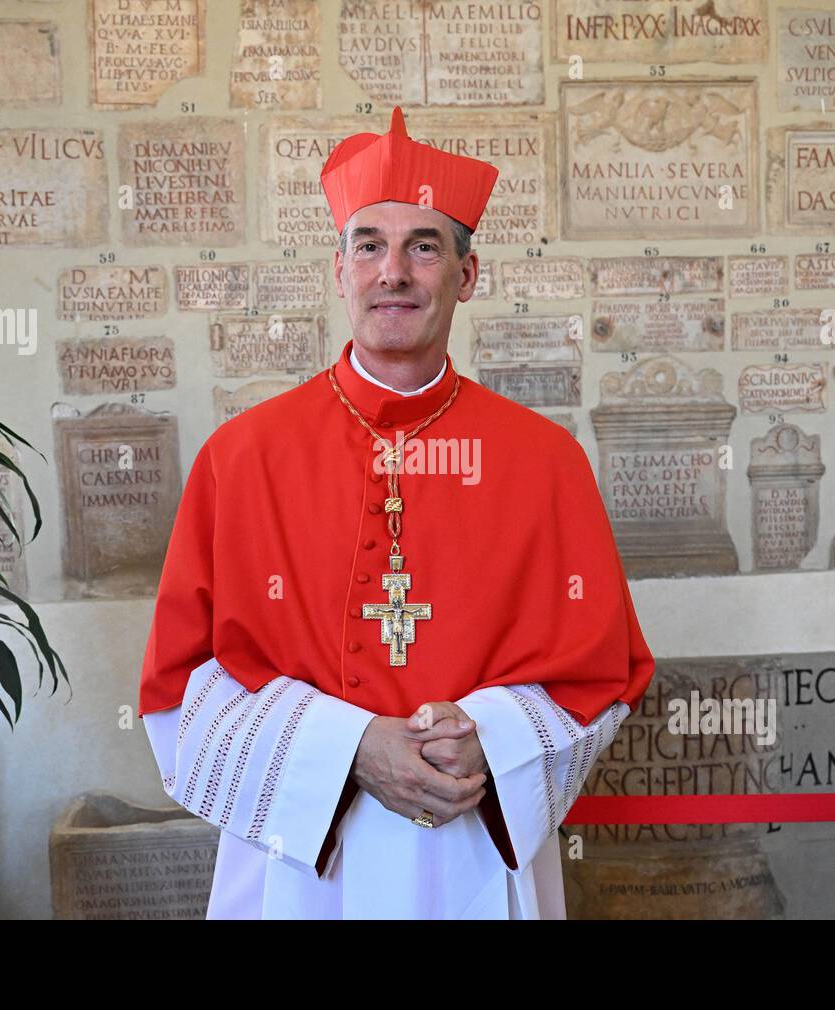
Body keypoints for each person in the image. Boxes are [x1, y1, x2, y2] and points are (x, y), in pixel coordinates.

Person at [137, 106, 655, 919]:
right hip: (301, 868)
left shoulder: (545, 463)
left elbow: (601, 677)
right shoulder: (241, 460)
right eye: (370, 245)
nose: (395, 273)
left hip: (477, 851)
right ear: (338, 272)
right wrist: (348, 749)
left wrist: (489, 733)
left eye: (424, 246)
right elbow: (180, 694)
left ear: (467, 275)